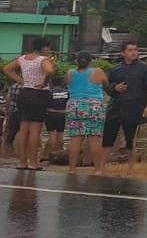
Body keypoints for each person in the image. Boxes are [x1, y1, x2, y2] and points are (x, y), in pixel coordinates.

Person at [3, 38, 55, 171]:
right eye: (48, 47)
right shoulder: (43, 60)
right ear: (43, 47)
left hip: (24, 93)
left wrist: (21, 80)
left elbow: (7, 69)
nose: (49, 50)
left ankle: (21, 162)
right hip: (38, 94)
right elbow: (49, 71)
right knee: (35, 130)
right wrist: (44, 82)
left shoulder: (23, 58)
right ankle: (32, 163)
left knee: (24, 129)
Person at [104, 42, 147, 175]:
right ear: (123, 53)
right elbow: (106, 87)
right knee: (108, 139)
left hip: (135, 108)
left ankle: (130, 169)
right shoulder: (115, 69)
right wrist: (114, 88)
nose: (134, 53)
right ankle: (101, 167)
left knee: (131, 140)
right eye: (130, 50)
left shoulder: (144, 68)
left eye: (136, 50)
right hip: (115, 108)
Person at [65, 51, 109, 175]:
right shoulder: (97, 71)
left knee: (75, 138)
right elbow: (106, 83)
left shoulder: (70, 73)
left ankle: (72, 169)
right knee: (94, 139)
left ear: (76, 61)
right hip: (93, 106)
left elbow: (67, 84)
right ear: (90, 61)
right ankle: (98, 170)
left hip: (74, 106)